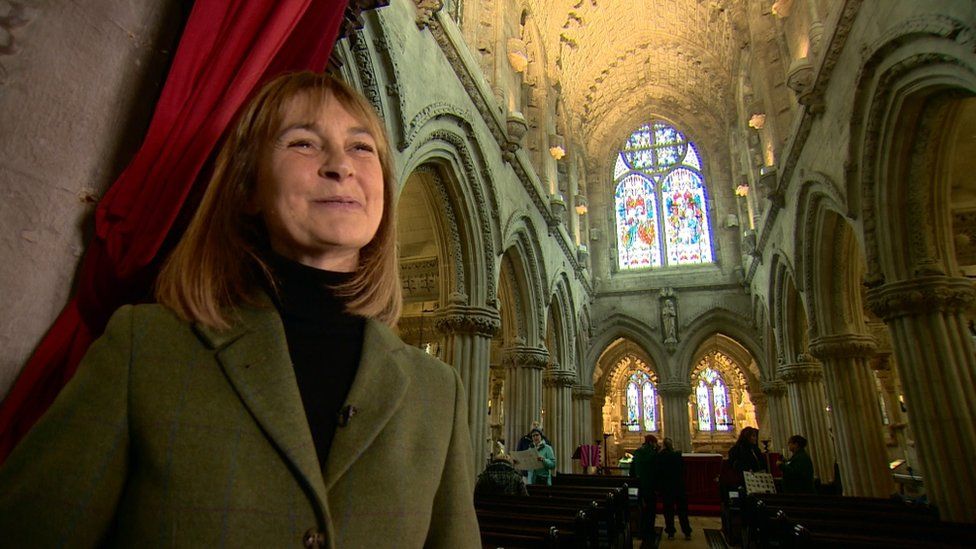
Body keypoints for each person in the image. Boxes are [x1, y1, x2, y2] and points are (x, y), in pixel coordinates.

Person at [0, 71, 480, 548]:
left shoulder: (437, 393)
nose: (341, 166)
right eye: (303, 144)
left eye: (361, 147)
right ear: (249, 187)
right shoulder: (146, 349)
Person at [658, 438, 692, 541]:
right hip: (679, 486)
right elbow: (683, 470)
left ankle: (671, 532)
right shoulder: (677, 456)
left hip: (667, 487)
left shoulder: (661, 457)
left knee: (668, 511)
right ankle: (687, 532)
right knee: (682, 511)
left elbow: (658, 472)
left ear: (663, 445)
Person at [630, 434, 661, 542]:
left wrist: (634, 483)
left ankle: (640, 532)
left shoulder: (638, 452)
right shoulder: (653, 453)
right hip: (650, 486)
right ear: (652, 442)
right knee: (650, 510)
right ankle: (649, 532)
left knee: (641, 509)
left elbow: (632, 470)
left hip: (639, 486)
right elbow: (657, 472)